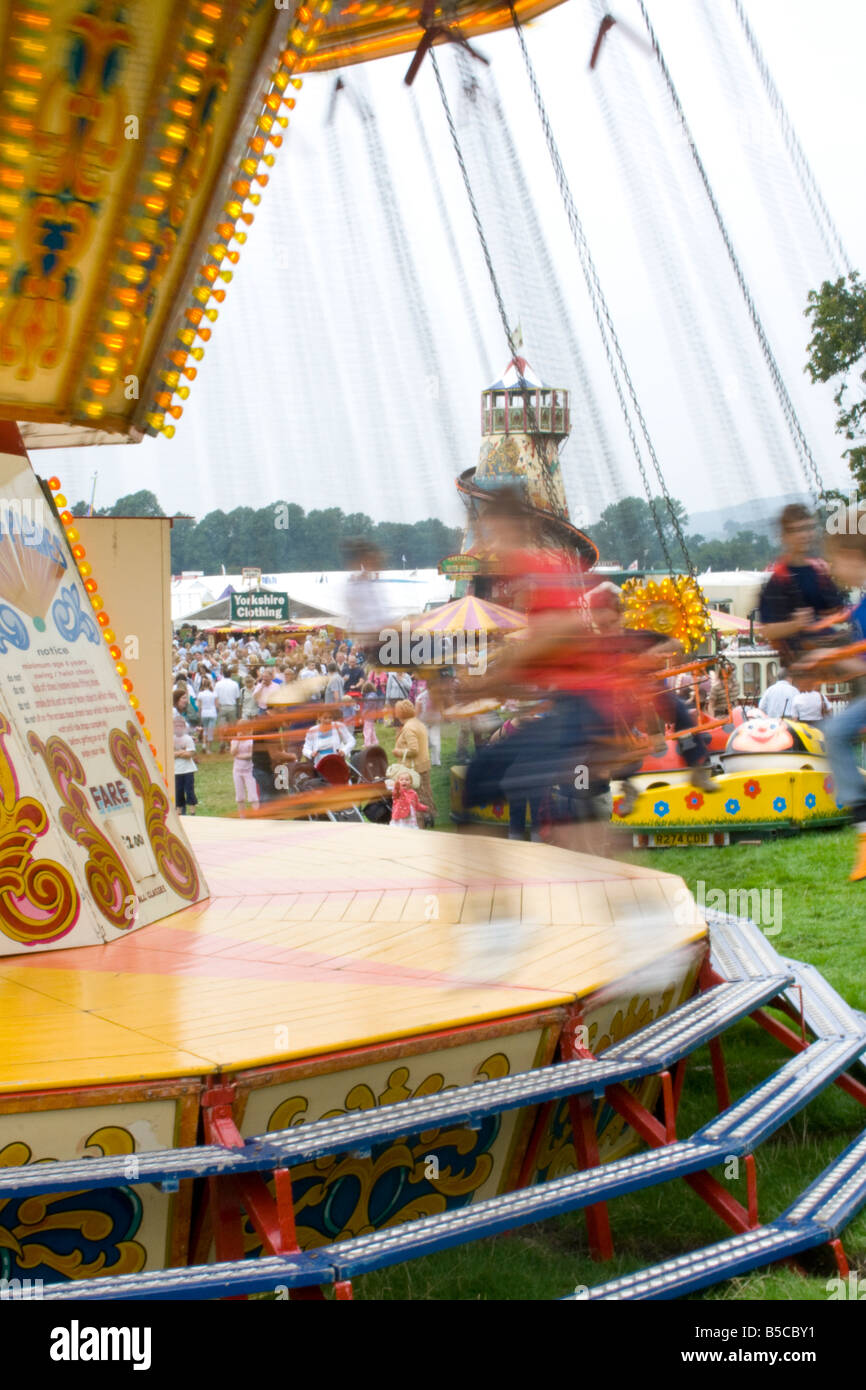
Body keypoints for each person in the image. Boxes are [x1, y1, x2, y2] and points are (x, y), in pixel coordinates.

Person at [799, 504, 866, 879]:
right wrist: (824, 661)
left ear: (854, 557)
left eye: (835, 560)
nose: (832, 569)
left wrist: (831, 656)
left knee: (837, 732)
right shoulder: (859, 608)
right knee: (836, 733)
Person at [758, 503, 847, 664]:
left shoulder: (819, 571)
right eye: (797, 530)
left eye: (808, 528)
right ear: (785, 536)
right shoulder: (779, 579)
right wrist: (795, 624)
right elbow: (767, 630)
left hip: (827, 652)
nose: (804, 535)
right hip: (799, 661)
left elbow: (836, 611)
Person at [393, 698, 434, 821]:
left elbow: (413, 750)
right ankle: (430, 816)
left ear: (400, 714)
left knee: (417, 795)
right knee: (426, 793)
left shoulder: (408, 728)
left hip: (414, 768)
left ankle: (421, 819)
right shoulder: (418, 723)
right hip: (423, 764)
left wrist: (398, 752)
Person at [387, 764, 429, 829]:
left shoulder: (413, 793)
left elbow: (416, 805)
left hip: (410, 818)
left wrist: (424, 808)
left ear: (411, 782)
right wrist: (396, 786)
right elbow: (395, 793)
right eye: (401, 780)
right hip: (400, 817)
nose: (404, 781)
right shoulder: (398, 792)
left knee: (410, 831)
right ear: (398, 782)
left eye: (407, 780)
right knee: (399, 830)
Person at [230, 723, 258, 815]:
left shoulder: (251, 740)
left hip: (249, 771)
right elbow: (233, 752)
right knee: (239, 796)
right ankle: (242, 816)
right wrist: (238, 740)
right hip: (237, 771)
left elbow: (251, 755)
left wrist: (239, 756)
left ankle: (257, 815)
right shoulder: (235, 740)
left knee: (253, 795)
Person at [213, 666, 240, 748]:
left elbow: (215, 697)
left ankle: (222, 742)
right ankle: (230, 743)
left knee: (222, 726)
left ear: (223, 674)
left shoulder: (218, 684)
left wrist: (217, 707)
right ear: (231, 674)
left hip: (222, 706)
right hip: (232, 706)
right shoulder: (235, 684)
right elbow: (237, 697)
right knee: (232, 727)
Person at [174, 731, 198, 816]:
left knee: (189, 791)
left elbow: (189, 754)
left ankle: (192, 813)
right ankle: (179, 813)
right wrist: (183, 751)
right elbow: (170, 754)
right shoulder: (171, 738)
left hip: (188, 770)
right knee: (178, 791)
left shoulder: (187, 738)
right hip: (176, 770)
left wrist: (177, 753)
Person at [198, 677, 217, 752]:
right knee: (210, 731)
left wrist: (199, 714)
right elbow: (216, 705)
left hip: (204, 713)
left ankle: (204, 745)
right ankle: (209, 748)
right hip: (212, 713)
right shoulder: (213, 694)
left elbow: (199, 706)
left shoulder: (200, 694)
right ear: (209, 685)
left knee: (205, 730)